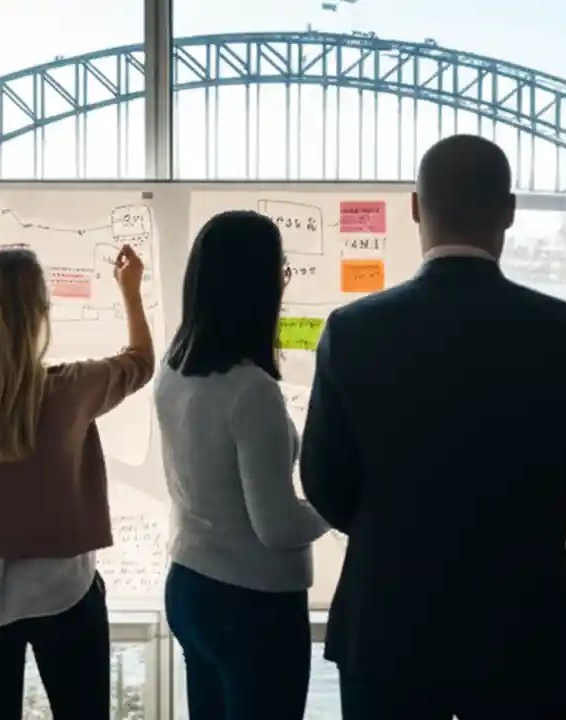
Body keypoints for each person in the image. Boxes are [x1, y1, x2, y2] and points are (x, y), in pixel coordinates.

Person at [300, 135, 566, 718]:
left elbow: (323, 482)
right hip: (523, 629)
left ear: (415, 207)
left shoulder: (353, 330)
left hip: (388, 624)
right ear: (510, 211)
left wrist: (395, 528)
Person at [0, 245, 154, 719]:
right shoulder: (71, 389)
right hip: (65, 593)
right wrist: (130, 291)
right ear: (38, 317)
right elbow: (140, 361)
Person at [155, 210, 329, 720]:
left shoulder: (174, 370)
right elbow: (278, 528)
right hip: (253, 602)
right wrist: (339, 502)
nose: (284, 282)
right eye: (281, 269)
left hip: (190, 584)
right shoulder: (252, 392)